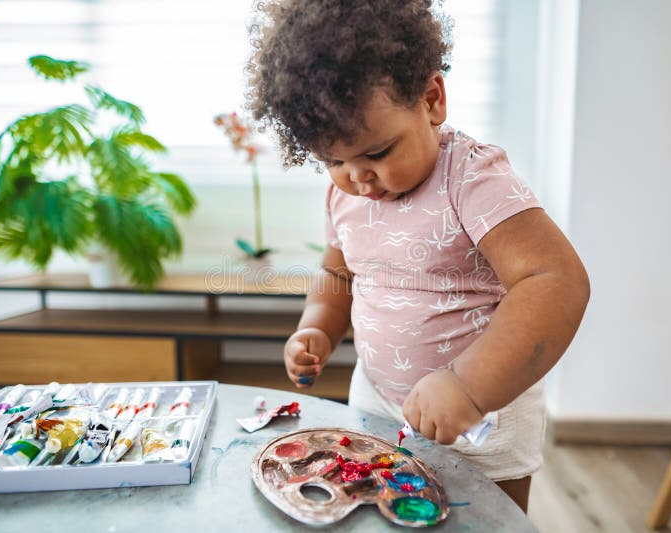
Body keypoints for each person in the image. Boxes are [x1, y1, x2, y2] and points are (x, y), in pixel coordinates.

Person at [245, 0, 590, 512]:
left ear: (431, 98)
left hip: (481, 413)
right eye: (333, 160)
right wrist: (317, 327)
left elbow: (555, 279)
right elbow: (337, 274)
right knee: (383, 513)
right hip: (377, 399)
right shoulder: (345, 195)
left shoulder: (471, 178)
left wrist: (469, 385)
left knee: (488, 521)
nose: (358, 177)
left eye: (378, 153)